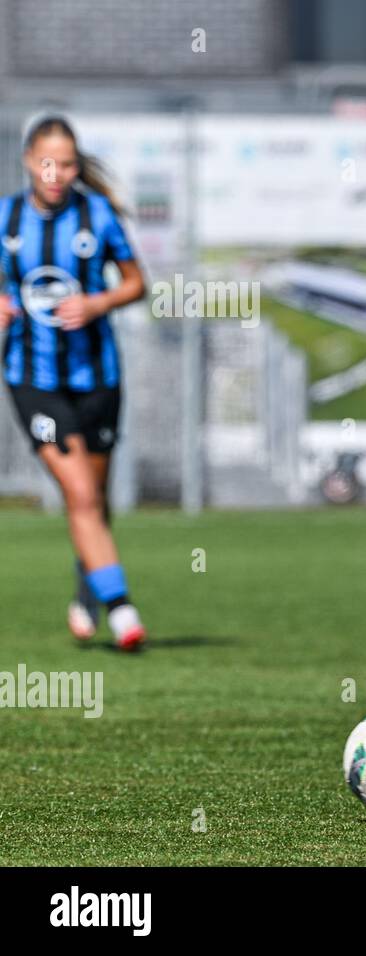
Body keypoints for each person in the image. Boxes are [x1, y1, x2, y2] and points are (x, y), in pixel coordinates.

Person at [0, 115, 148, 650]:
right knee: (81, 494)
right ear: (27, 161)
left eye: (67, 163)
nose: (56, 173)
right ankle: (123, 610)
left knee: (96, 501)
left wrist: (97, 301)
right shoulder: (8, 219)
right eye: (47, 162)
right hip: (32, 380)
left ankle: (87, 591)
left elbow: (137, 284)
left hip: (98, 377)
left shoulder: (97, 215)